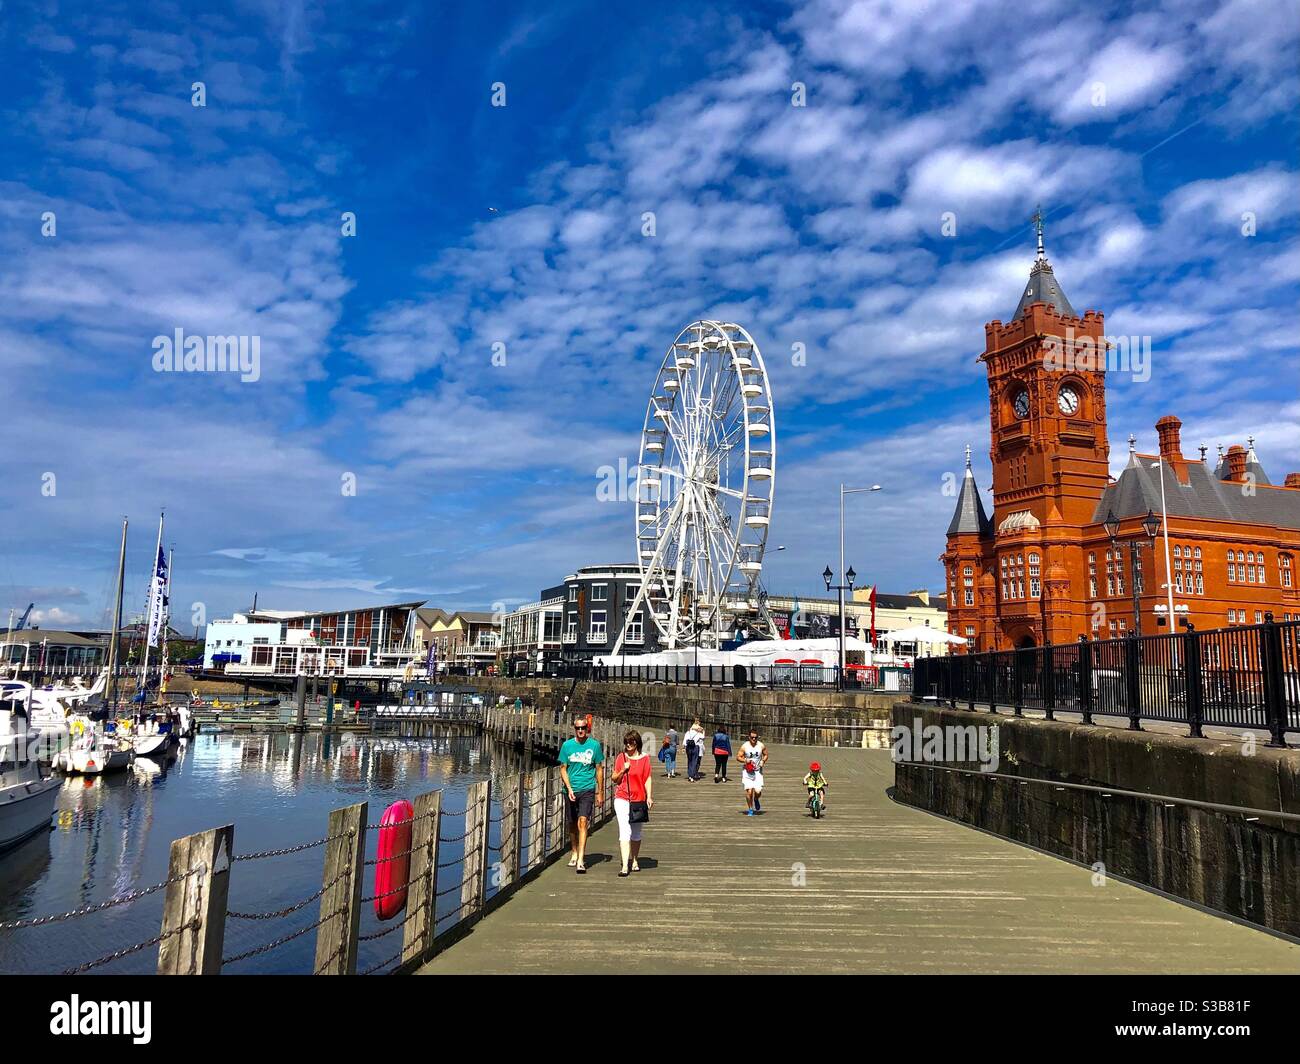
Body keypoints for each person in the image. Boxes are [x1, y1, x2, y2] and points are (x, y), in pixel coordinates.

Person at [558, 713, 604, 873]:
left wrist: (600, 792)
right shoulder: (567, 746)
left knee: (583, 822)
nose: (580, 731)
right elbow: (563, 769)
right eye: (577, 728)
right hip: (570, 789)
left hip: (587, 788)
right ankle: (574, 851)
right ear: (574, 729)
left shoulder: (595, 746)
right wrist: (569, 788)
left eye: (583, 728)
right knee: (572, 824)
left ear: (587, 728)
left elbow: (599, 769)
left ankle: (581, 859)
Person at [611, 729, 653, 877]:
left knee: (636, 832)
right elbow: (614, 778)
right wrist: (623, 769)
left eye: (631, 742)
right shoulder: (621, 758)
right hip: (622, 798)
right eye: (626, 742)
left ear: (637, 743)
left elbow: (647, 778)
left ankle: (634, 859)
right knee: (625, 830)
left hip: (639, 799)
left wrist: (649, 796)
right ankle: (624, 865)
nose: (628, 745)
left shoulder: (645, 758)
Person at [736, 728, 768, 816]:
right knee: (749, 792)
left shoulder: (761, 745)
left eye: (755, 737)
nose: (754, 739)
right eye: (752, 737)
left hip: (758, 771)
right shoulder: (745, 746)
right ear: (749, 737)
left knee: (758, 792)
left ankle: (756, 799)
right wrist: (745, 760)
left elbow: (766, 755)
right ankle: (750, 809)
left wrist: (763, 761)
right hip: (748, 771)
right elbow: (738, 757)